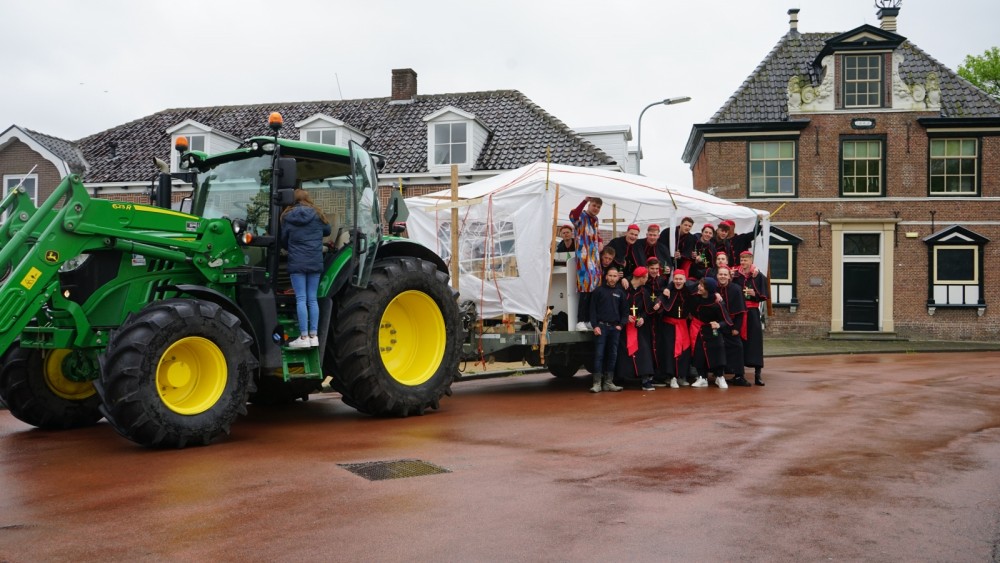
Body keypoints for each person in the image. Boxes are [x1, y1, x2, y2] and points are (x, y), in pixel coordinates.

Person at [280, 188, 332, 348]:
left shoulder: (288, 217)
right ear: (308, 199)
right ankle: (313, 336)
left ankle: (303, 338)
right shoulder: (317, 214)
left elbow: (283, 240)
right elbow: (327, 231)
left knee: (301, 299)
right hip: (315, 262)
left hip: (297, 263)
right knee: (312, 298)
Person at [615, 266, 657, 391]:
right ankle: (621, 378)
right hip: (623, 325)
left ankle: (645, 380)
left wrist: (643, 318)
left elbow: (647, 310)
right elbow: (615, 306)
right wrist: (625, 316)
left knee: (643, 351)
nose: (647, 280)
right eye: (646, 277)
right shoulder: (622, 289)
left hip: (639, 327)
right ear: (642, 278)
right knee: (623, 352)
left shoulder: (644, 292)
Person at [589, 266, 627, 393]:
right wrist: (595, 326)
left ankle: (608, 382)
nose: (612, 278)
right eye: (610, 276)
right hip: (601, 327)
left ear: (618, 277)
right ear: (606, 277)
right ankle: (597, 383)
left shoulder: (621, 293)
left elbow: (625, 312)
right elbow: (592, 310)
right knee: (599, 355)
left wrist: (621, 325)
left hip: (614, 328)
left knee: (613, 355)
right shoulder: (598, 291)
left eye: (614, 276)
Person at [734, 250, 769, 386]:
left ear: (751, 260)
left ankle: (757, 374)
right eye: (742, 260)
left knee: (755, 343)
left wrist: (755, 293)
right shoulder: (735, 275)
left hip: (752, 312)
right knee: (739, 343)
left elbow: (764, 295)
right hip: (739, 312)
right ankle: (739, 374)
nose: (743, 263)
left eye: (746, 260)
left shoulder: (758, 275)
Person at [687, 277, 729, 389]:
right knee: (699, 354)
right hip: (698, 330)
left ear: (708, 289)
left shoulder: (717, 303)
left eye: (702, 285)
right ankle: (702, 378)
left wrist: (719, 325)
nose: (699, 287)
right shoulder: (695, 297)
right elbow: (686, 285)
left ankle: (720, 377)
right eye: (699, 284)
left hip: (713, 331)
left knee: (718, 352)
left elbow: (727, 321)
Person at [652, 268, 691, 388]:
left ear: (685, 280)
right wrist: (658, 303)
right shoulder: (668, 291)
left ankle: (681, 376)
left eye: (680, 279)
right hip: (669, 326)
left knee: (684, 350)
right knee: (669, 351)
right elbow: (661, 299)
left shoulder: (689, 290)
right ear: (673, 280)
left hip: (683, 325)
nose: (678, 281)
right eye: (676, 279)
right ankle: (671, 376)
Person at [569, 197, 604, 330]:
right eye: (594, 205)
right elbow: (573, 215)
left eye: (598, 207)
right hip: (583, 257)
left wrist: (600, 240)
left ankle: (589, 319)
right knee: (585, 288)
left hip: (594, 258)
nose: (596, 208)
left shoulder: (595, 220)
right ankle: (580, 320)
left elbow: (596, 232)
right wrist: (584, 201)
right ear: (589, 205)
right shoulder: (581, 216)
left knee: (594, 290)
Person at [716, 266, 750, 387]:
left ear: (729, 276)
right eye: (721, 274)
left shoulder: (736, 289)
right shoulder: (713, 288)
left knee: (738, 347)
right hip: (717, 324)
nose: (723, 277)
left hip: (731, 325)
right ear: (717, 276)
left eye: (725, 275)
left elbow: (741, 312)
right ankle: (717, 375)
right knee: (717, 347)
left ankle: (739, 375)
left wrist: (737, 328)